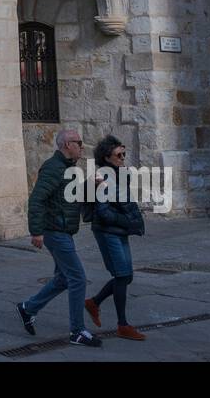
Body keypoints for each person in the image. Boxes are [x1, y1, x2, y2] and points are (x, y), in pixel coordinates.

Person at [16, 129, 101, 347]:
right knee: (78, 278)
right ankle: (77, 331)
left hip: (63, 230)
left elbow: (68, 197)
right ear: (66, 145)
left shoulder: (68, 168)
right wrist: (36, 232)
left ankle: (29, 308)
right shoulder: (53, 168)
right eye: (78, 143)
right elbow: (37, 200)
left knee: (64, 278)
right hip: (55, 231)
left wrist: (90, 186)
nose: (82, 146)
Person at [85, 135, 145, 342]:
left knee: (127, 276)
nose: (123, 157)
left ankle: (94, 303)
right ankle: (122, 325)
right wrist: (125, 221)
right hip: (107, 231)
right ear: (106, 157)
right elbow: (102, 212)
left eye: (124, 154)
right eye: (119, 154)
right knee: (122, 275)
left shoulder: (120, 173)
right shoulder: (101, 177)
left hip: (119, 230)